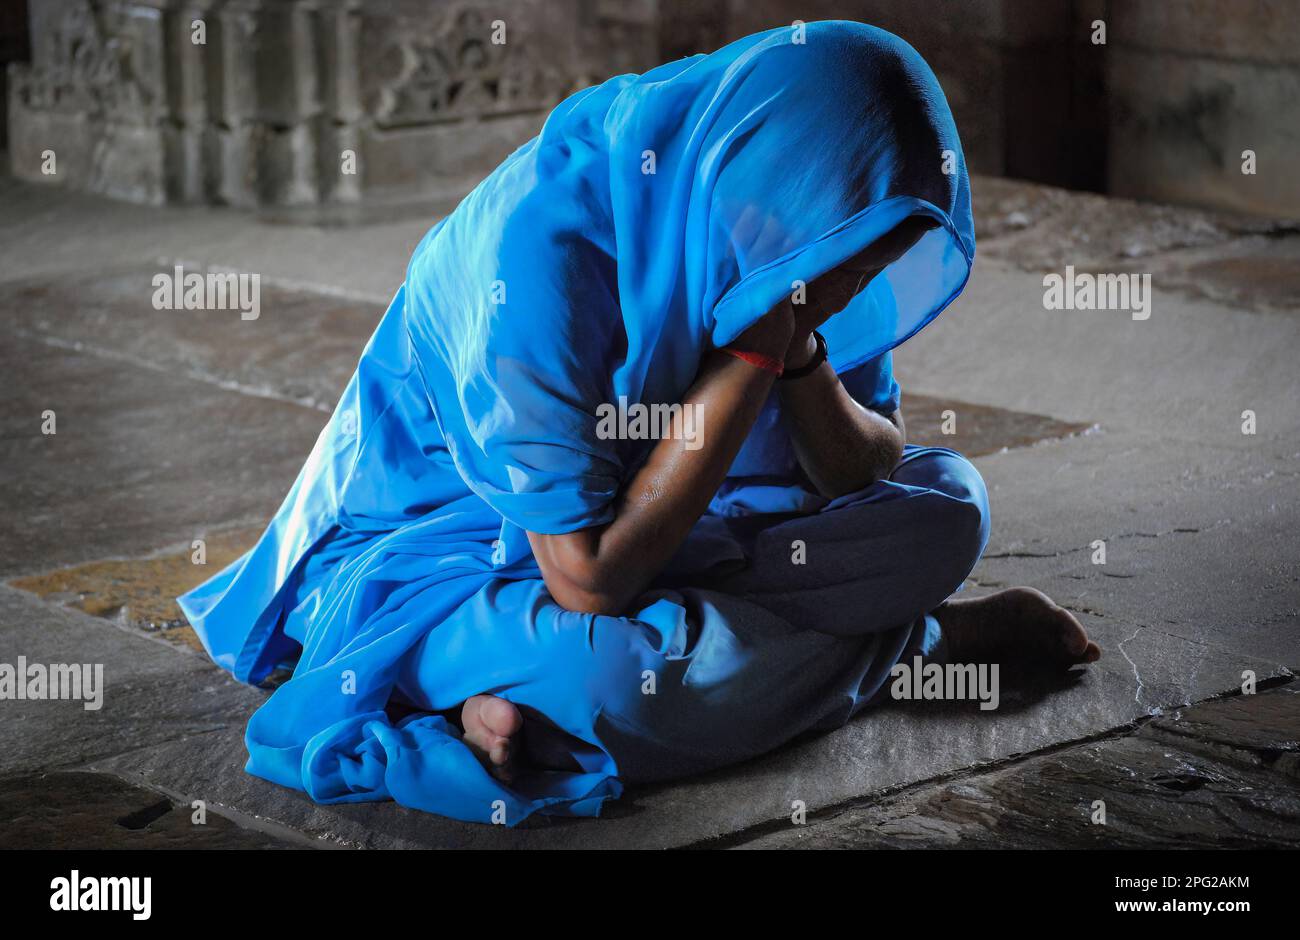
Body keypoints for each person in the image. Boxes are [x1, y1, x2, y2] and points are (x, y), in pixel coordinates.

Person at [179, 21, 1099, 826]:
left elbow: (867, 470)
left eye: (864, 266)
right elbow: (589, 579)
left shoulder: (803, 232)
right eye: (849, 266)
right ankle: (920, 643)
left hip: (695, 529)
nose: (850, 292)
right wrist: (747, 361)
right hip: (461, 552)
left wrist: (798, 350)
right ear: (771, 165)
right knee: (619, 676)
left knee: (951, 507)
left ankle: (628, 673)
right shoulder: (539, 247)